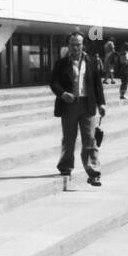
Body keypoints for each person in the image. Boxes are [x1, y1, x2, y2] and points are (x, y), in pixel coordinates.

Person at [49, 31, 107, 187]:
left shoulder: (91, 62)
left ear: (83, 45)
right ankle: (65, 167)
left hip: (87, 104)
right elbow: (53, 82)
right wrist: (62, 94)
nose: (76, 47)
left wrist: (101, 103)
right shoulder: (61, 63)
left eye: (78, 44)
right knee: (68, 139)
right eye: (72, 44)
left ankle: (94, 173)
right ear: (68, 45)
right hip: (69, 105)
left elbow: (97, 84)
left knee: (90, 139)